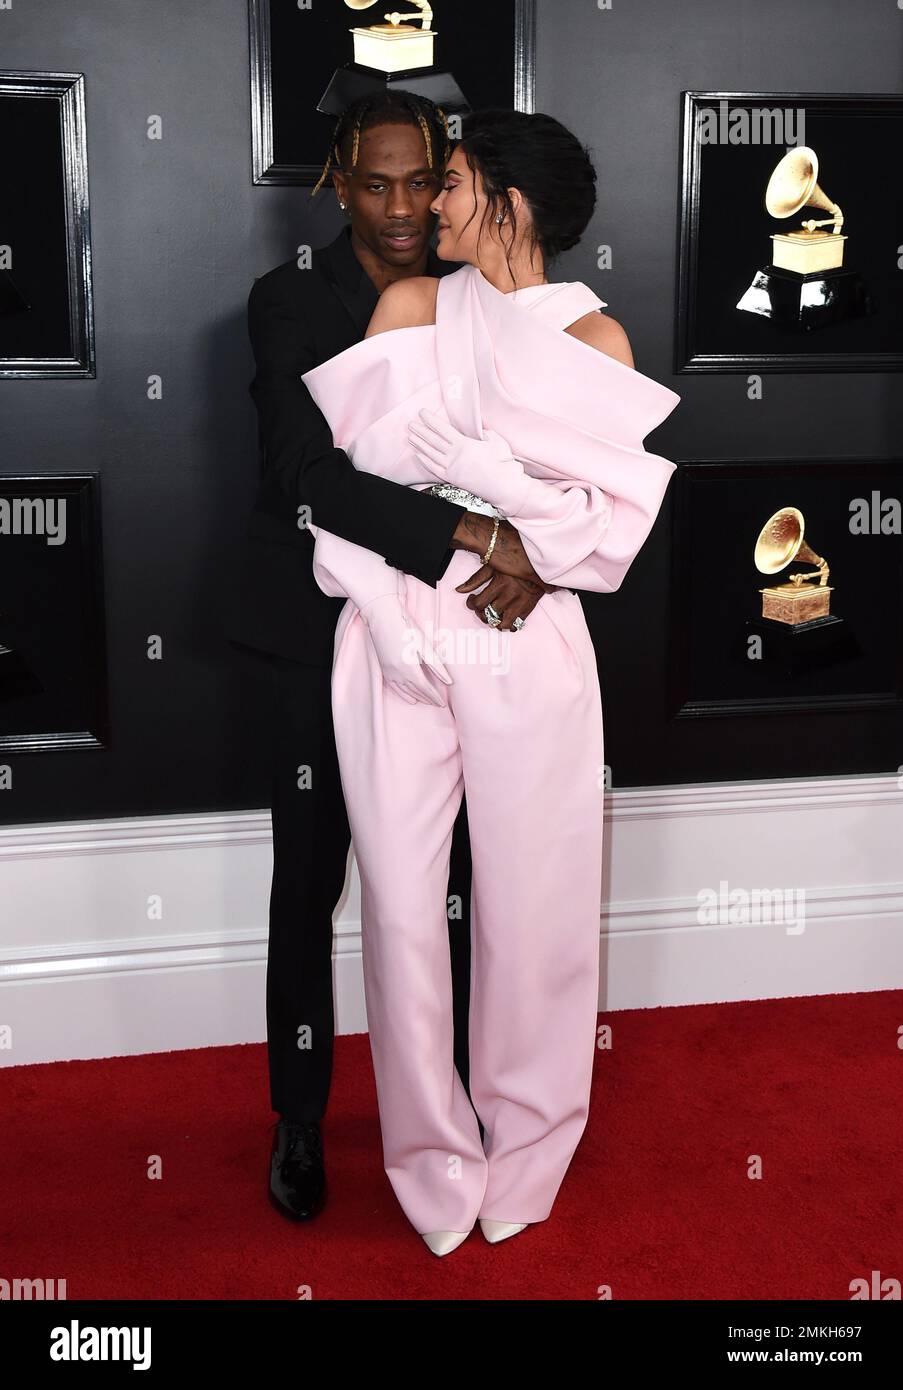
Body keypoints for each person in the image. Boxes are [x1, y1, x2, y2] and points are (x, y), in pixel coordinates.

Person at [299, 109, 681, 1255]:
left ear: (507, 200)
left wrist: (520, 536)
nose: (429, 205)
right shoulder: (411, 307)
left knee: (536, 911)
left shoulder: (596, 341)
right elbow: (349, 495)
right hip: (391, 641)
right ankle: (429, 1164)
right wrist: (404, 593)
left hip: (528, 648)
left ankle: (528, 1151)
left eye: (453, 181)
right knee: (406, 915)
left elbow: (602, 535)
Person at [221, 91, 557, 1221]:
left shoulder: (476, 295)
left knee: (458, 893)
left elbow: (542, 453)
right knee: (310, 886)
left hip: (462, 641)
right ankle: (302, 1119)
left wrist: (540, 551)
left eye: (426, 182)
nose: (405, 206)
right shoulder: (289, 302)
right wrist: (472, 532)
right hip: (314, 641)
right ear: (337, 178)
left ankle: (453, 1112)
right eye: (379, 182)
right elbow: (303, 476)